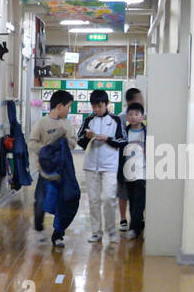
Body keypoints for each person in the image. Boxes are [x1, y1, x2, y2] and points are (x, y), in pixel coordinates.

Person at [78, 89, 126, 245]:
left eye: (100, 106)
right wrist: (87, 137)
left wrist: (108, 139)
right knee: (93, 200)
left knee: (108, 198)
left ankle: (111, 231)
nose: (97, 109)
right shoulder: (88, 120)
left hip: (110, 165)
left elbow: (123, 141)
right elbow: (80, 142)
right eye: (94, 106)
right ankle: (96, 232)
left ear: (107, 104)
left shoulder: (116, 120)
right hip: (91, 165)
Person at [28, 90, 74, 246]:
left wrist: (65, 141)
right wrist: (46, 150)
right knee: (41, 202)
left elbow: (73, 143)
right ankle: (39, 227)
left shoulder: (67, 123)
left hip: (63, 173)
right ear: (60, 106)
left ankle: (58, 235)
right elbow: (32, 142)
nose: (69, 110)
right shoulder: (42, 123)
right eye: (68, 106)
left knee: (63, 203)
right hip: (45, 172)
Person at [118, 99, 147, 240]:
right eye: (131, 114)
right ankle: (138, 224)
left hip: (143, 172)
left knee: (139, 200)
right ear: (127, 117)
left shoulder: (147, 133)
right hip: (128, 172)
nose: (134, 117)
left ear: (142, 116)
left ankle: (134, 227)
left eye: (137, 114)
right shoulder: (125, 133)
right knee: (132, 201)